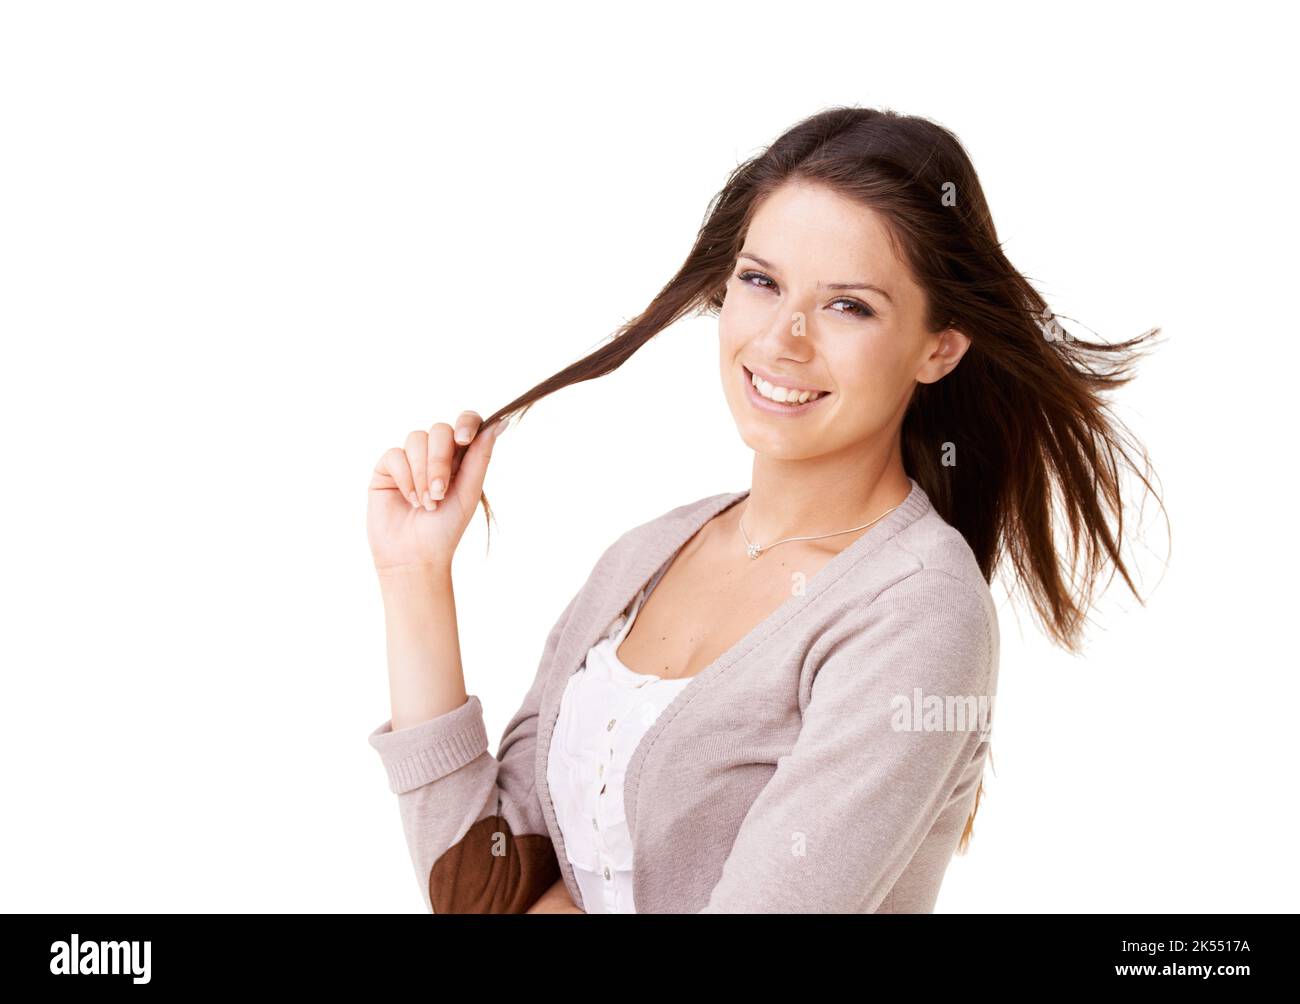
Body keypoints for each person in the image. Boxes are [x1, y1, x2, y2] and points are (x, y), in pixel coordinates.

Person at [365, 106, 1165, 913]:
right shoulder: (644, 557)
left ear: (939, 347)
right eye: (761, 280)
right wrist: (415, 574)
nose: (784, 338)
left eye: (848, 305)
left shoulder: (918, 611)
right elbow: (479, 885)